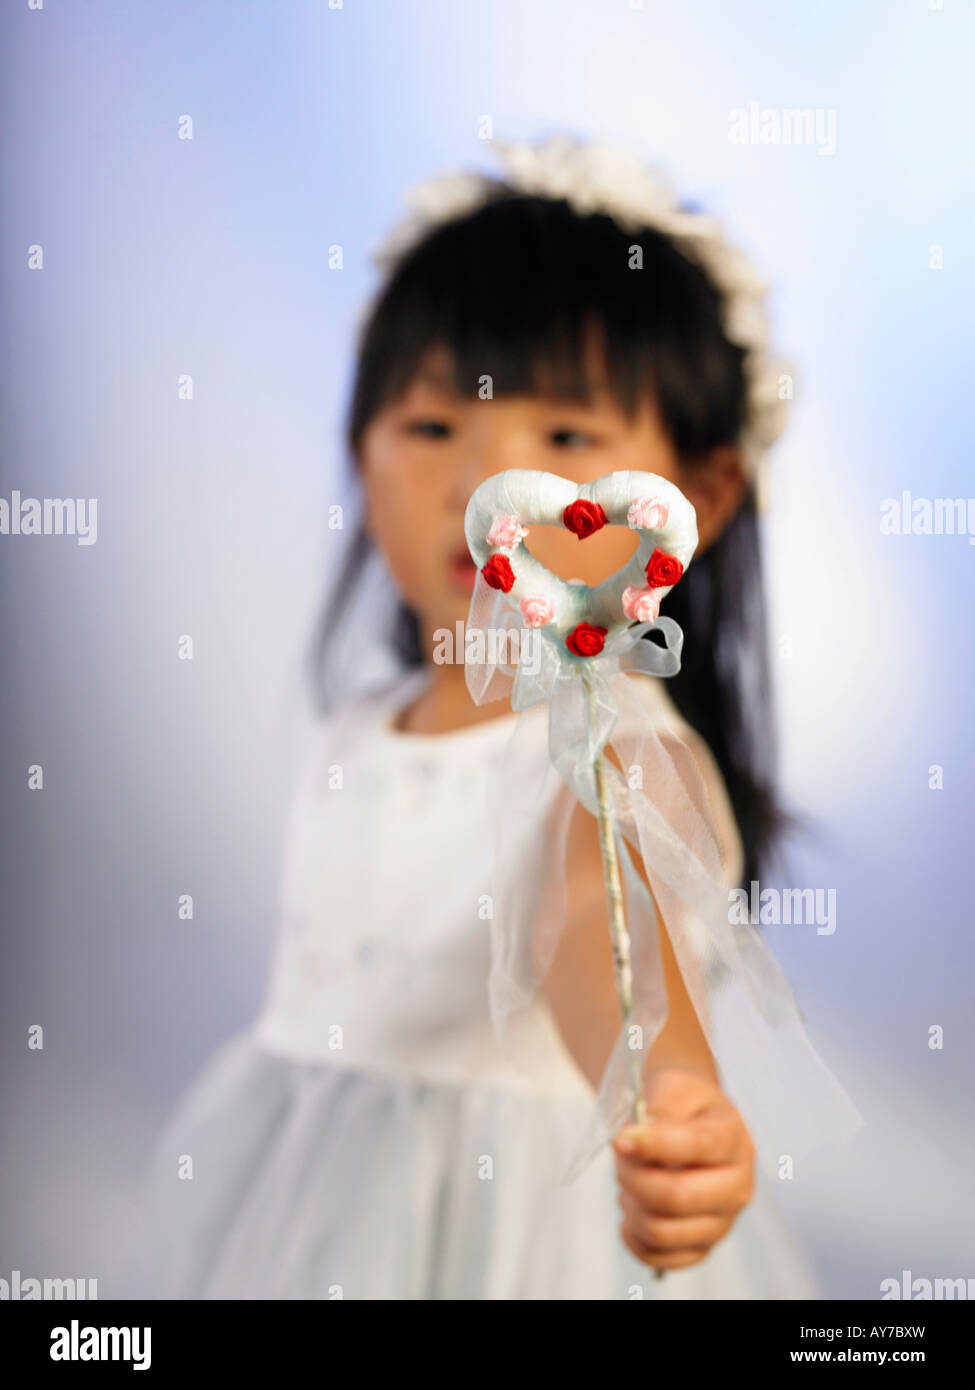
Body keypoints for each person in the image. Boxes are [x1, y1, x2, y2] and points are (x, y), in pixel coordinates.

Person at [131, 136, 829, 1300]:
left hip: (533, 1237)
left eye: (564, 438)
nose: (482, 489)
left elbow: (590, 917)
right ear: (359, 452)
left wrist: (668, 1091)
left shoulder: (617, 741)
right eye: (431, 427)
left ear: (692, 496)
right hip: (314, 1210)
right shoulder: (365, 726)